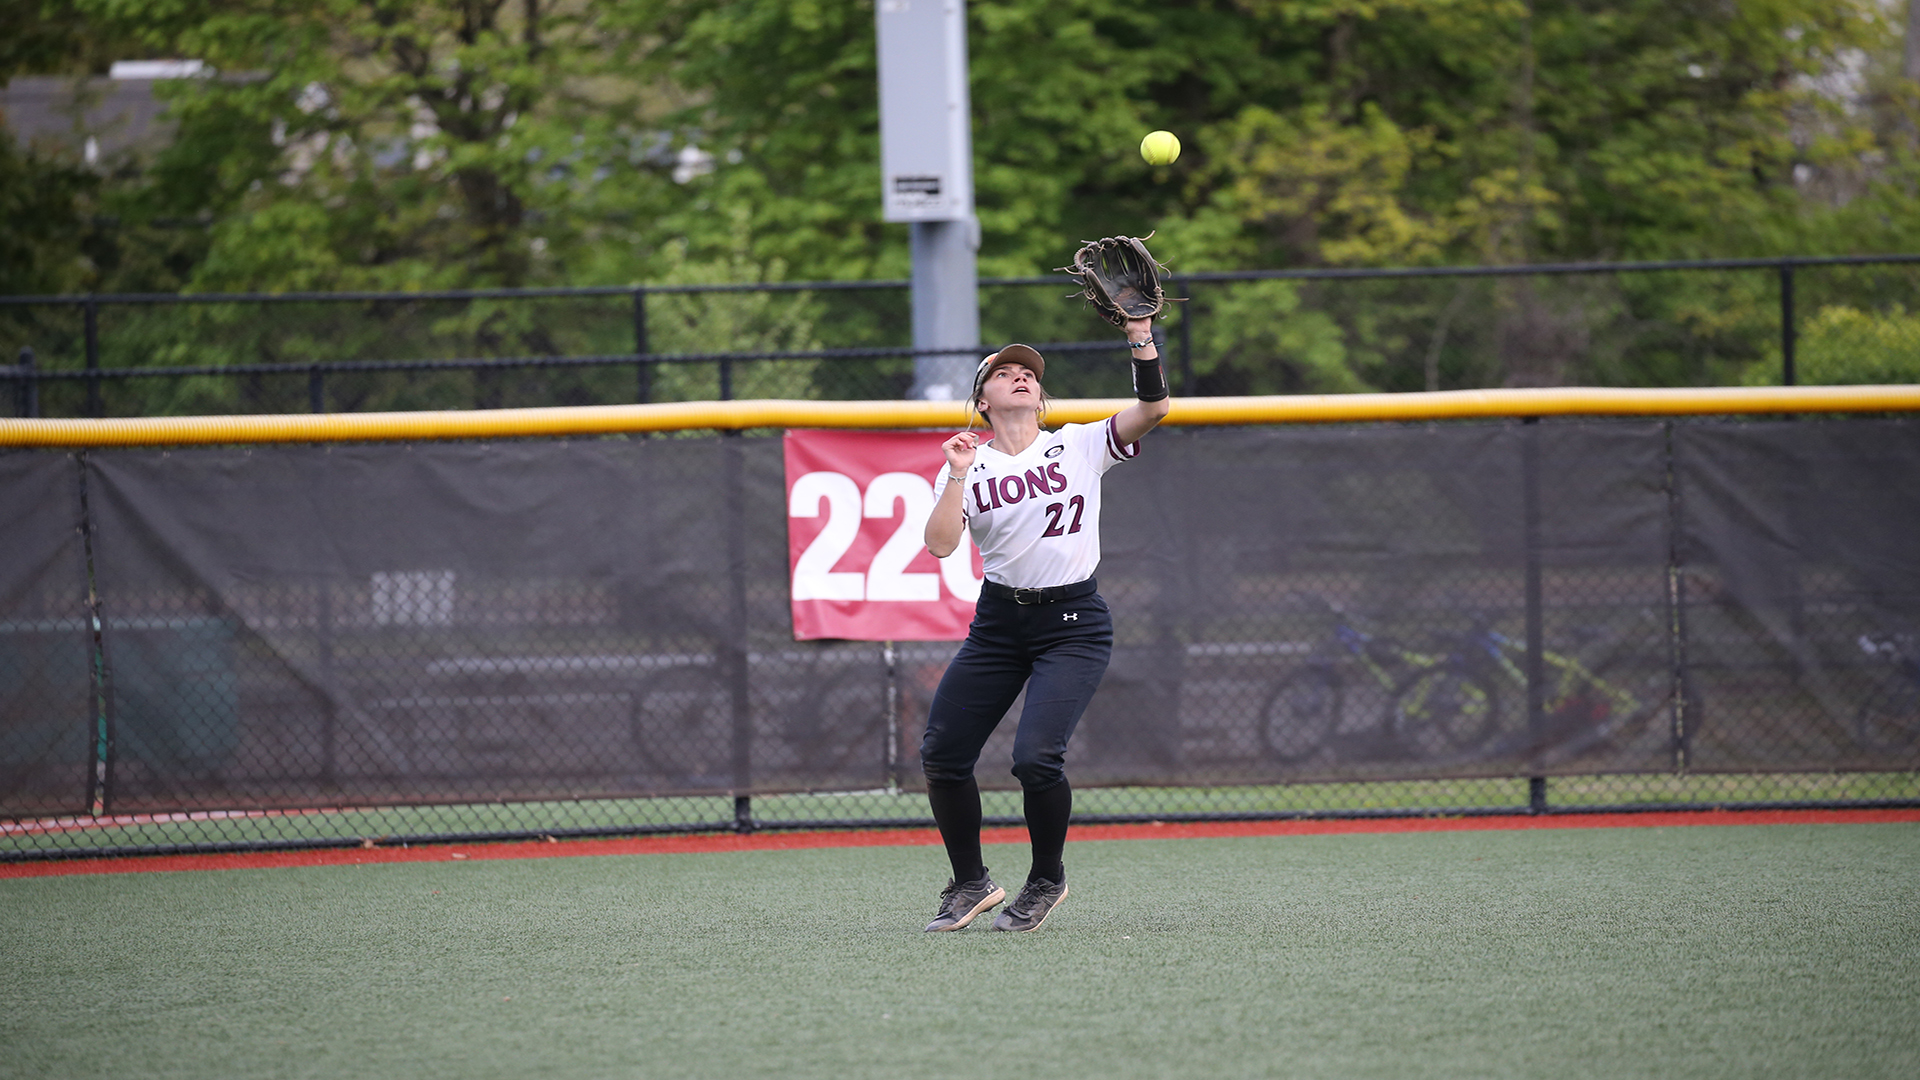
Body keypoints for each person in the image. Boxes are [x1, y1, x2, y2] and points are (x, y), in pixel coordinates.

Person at [919, 315, 1171, 932]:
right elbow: (941, 546)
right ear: (983, 400)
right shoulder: (966, 465)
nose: (1020, 378)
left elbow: (1155, 408)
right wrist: (954, 473)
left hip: (1073, 623)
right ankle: (971, 882)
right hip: (1000, 624)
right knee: (943, 754)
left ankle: (1046, 879)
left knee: (1036, 759)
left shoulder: (1079, 443)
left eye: (1029, 373)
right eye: (1004, 373)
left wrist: (1140, 333)